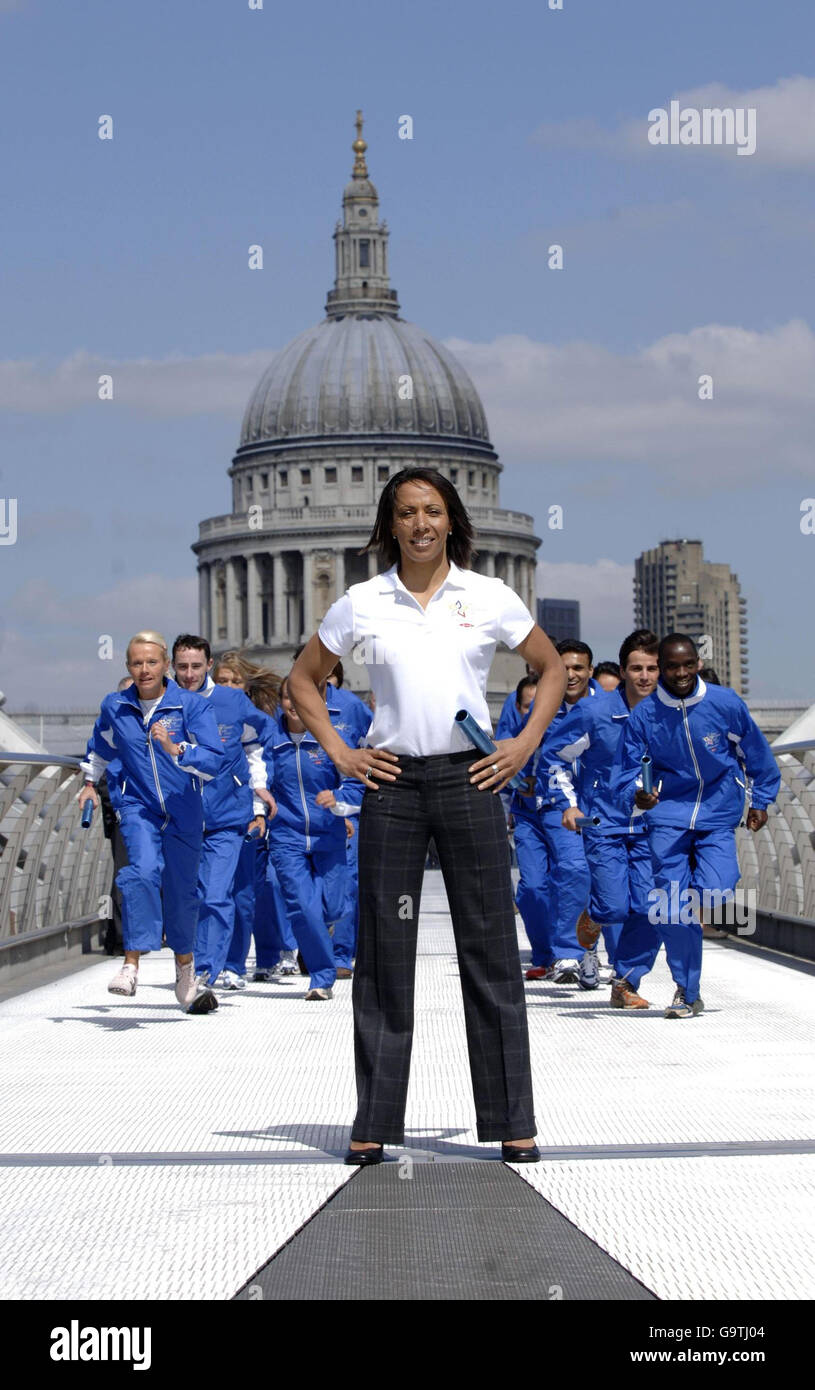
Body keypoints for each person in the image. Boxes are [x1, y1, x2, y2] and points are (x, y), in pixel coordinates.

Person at [289, 465, 566, 1165]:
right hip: (392, 782)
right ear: (390, 525)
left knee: (490, 948)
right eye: (407, 512)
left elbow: (552, 667)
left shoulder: (486, 594)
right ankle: (374, 1120)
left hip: (469, 776)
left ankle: (512, 1120)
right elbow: (301, 679)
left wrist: (521, 744)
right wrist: (342, 754)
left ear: (451, 521)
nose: (420, 524)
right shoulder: (361, 602)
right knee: (384, 954)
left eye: (432, 511)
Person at [617, 633, 781, 1018]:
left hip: (717, 815)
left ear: (698, 663)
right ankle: (687, 991)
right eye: (672, 667)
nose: (680, 673)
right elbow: (627, 769)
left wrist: (760, 802)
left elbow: (756, 754)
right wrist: (638, 795)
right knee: (671, 910)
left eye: (687, 664)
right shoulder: (645, 715)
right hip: (667, 819)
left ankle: (688, 966)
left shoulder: (725, 705)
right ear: (662, 668)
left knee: (717, 892)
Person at [79, 631, 224, 1013]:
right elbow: (100, 748)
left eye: (151, 662)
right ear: (128, 667)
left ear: (165, 666)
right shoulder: (115, 706)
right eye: (136, 663)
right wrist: (89, 784)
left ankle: (184, 967)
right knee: (140, 873)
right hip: (137, 806)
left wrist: (175, 748)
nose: (144, 670)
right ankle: (131, 963)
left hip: (183, 809)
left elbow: (213, 760)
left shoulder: (189, 706)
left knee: (181, 891)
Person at [542, 630, 660, 1002]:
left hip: (652, 825)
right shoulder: (595, 712)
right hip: (603, 823)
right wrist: (569, 804)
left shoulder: (672, 714)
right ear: (623, 671)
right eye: (636, 668)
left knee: (648, 906)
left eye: (652, 669)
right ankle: (594, 914)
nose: (645, 676)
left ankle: (625, 982)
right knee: (614, 906)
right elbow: (554, 755)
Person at [172, 635, 277, 991]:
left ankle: (206, 972)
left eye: (195, 667)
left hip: (227, 815)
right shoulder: (162, 703)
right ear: (173, 667)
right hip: (180, 815)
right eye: (182, 667)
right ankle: (190, 963)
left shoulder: (232, 701)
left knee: (217, 895)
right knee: (190, 897)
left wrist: (258, 792)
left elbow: (257, 745)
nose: (188, 675)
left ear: (209, 666)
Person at [266, 676, 363, 1000]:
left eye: (299, 697)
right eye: (286, 698)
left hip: (328, 834)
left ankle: (325, 929)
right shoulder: (271, 740)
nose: (293, 705)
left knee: (335, 906)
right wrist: (259, 806)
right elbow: (256, 779)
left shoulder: (333, 738)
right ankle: (321, 977)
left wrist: (339, 801)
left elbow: (355, 781)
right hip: (287, 835)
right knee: (302, 906)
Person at [530, 639, 598, 985]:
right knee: (571, 870)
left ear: (590, 670)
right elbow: (528, 749)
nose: (571, 675)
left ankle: (594, 951)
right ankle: (567, 953)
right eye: (565, 668)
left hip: (606, 807)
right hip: (558, 805)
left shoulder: (609, 706)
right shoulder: (543, 703)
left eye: (578, 668)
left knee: (608, 882)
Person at [495, 674, 553, 976]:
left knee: (571, 881)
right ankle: (544, 955)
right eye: (528, 707)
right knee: (531, 888)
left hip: (568, 816)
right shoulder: (513, 739)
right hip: (528, 815)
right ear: (518, 709)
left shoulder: (571, 726)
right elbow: (500, 779)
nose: (535, 714)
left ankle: (576, 951)